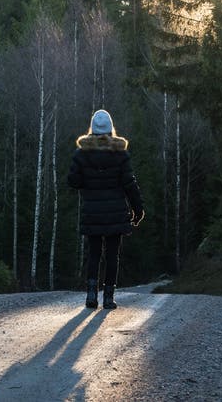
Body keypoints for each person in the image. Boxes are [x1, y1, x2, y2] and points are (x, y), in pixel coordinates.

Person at [67, 108, 144, 310]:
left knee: (93, 254)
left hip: (92, 212)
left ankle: (91, 295)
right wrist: (138, 210)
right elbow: (129, 184)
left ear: (92, 129)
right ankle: (108, 298)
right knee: (112, 255)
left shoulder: (81, 154)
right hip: (116, 213)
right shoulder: (120, 154)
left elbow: (73, 182)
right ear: (111, 129)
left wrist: (87, 178)